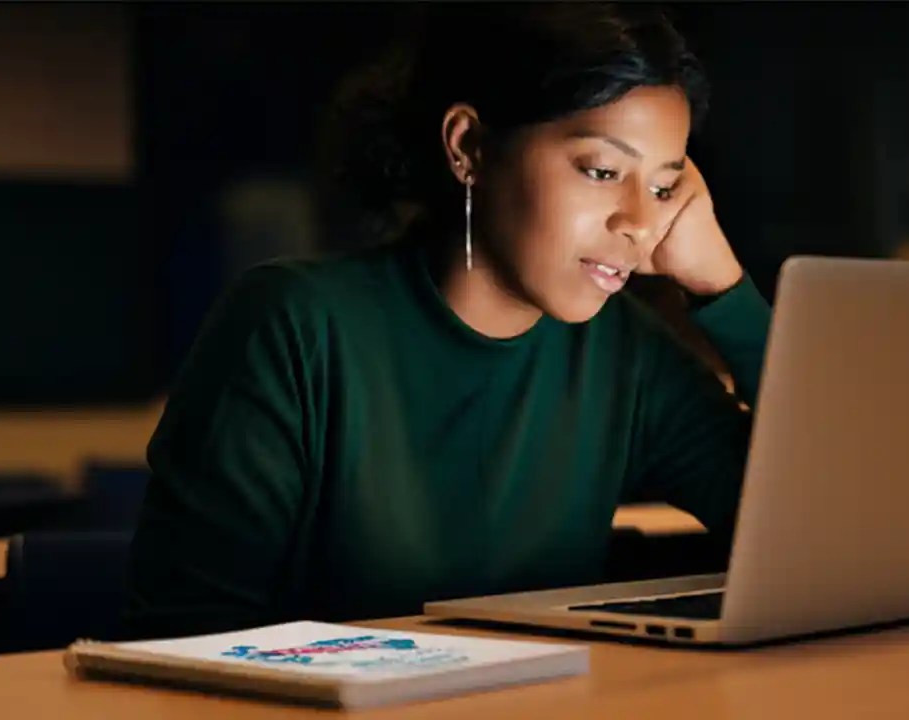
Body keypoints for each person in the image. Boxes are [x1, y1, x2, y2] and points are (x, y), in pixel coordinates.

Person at [125, 3, 771, 639]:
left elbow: (818, 527)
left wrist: (724, 287)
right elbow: (180, 643)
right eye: (602, 171)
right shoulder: (292, 330)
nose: (639, 222)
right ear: (470, 147)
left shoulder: (624, 354)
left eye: (662, 188)